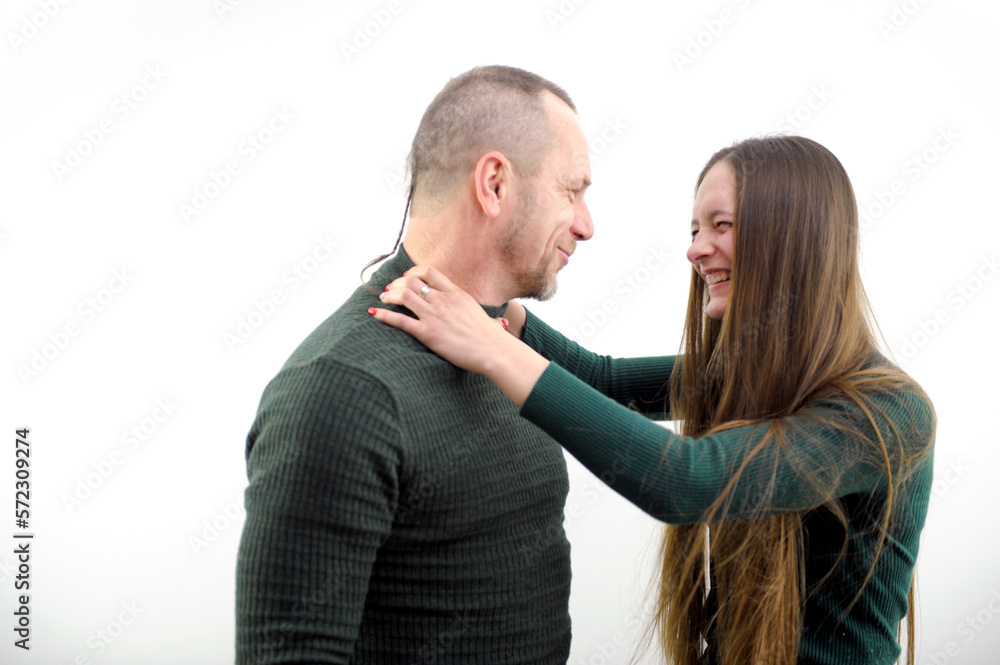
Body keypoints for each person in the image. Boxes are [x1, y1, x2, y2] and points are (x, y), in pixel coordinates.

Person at [372, 135, 936, 665]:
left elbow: (687, 482)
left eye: (722, 225)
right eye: (695, 229)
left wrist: (491, 351)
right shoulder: (748, 378)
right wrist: (492, 306)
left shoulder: (888, 413)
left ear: (797, 238)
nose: (696, 249)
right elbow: (603, 380)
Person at [236, 65, 594, 664]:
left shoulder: (503, 345)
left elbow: (628, 386)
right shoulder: (342, 390)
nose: (586, 224)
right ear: (496, 185)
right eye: (572, 189)